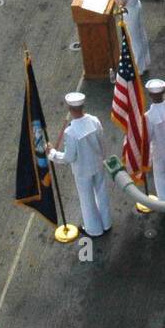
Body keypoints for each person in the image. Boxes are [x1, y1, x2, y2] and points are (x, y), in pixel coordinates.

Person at [47, 92, 111, 238]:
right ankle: (106, 223)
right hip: (98, 164)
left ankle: (93, 229)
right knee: (101, 193)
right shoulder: (94, 121)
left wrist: (52, 154)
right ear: (83, 106)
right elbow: (102, 143)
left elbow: (69, 157)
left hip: (82, 171)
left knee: (87, 199)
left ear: (69, 108)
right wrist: (102, 158)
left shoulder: (71, 132)